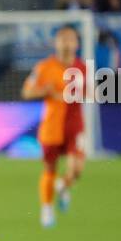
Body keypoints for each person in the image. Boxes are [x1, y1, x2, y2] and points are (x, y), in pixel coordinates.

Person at [22, 24, 87, 228]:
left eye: (71, 39)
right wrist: (45, 91)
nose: (67, 43)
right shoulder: (44, 67)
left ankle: (63, 185)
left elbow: (89, 92)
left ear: (76, 44)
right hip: (51, 126)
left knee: (76, 169)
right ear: (56, 43)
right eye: (63, 39)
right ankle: (47, 207)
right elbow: (27, 92)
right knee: (50, 168)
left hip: (75, 124)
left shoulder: (83, 68)